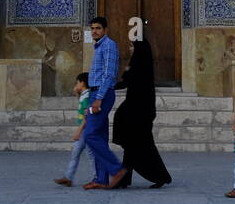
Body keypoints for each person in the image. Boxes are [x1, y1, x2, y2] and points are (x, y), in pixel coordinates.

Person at [111, 37, 172, 188]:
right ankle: (155, 177)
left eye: (132, 46)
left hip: (139, 114)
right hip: (136, 112)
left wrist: (106, 86)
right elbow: (126, 83)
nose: (130, 49)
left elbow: (127, 82)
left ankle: (155, 177)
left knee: (137, 146)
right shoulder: (137, 64)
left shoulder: (140, 67)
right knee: (135, 146)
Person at [80, 16, 127, 190]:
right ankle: (101, 179)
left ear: (105, 30)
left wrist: (98, 99)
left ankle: (116, 169)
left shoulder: (109, 46)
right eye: (92, 28)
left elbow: (109, 75)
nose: (94, 31)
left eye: (98, 28)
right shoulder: (99, 46)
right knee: (98, 136)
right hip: (96, 94)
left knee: (90, 134)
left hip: (103, 94)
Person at [54, 73, 92, 187]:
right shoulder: (84, 95)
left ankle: (98, 178)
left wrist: (79, 131)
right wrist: (77, 93)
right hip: (84, 130)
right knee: (77, 154)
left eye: (77, 83)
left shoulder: (87, 96)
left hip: (85, 130)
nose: (76, 85)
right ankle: (68, 177)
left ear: (82, 83)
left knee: (91, 156)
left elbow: (86, 116)